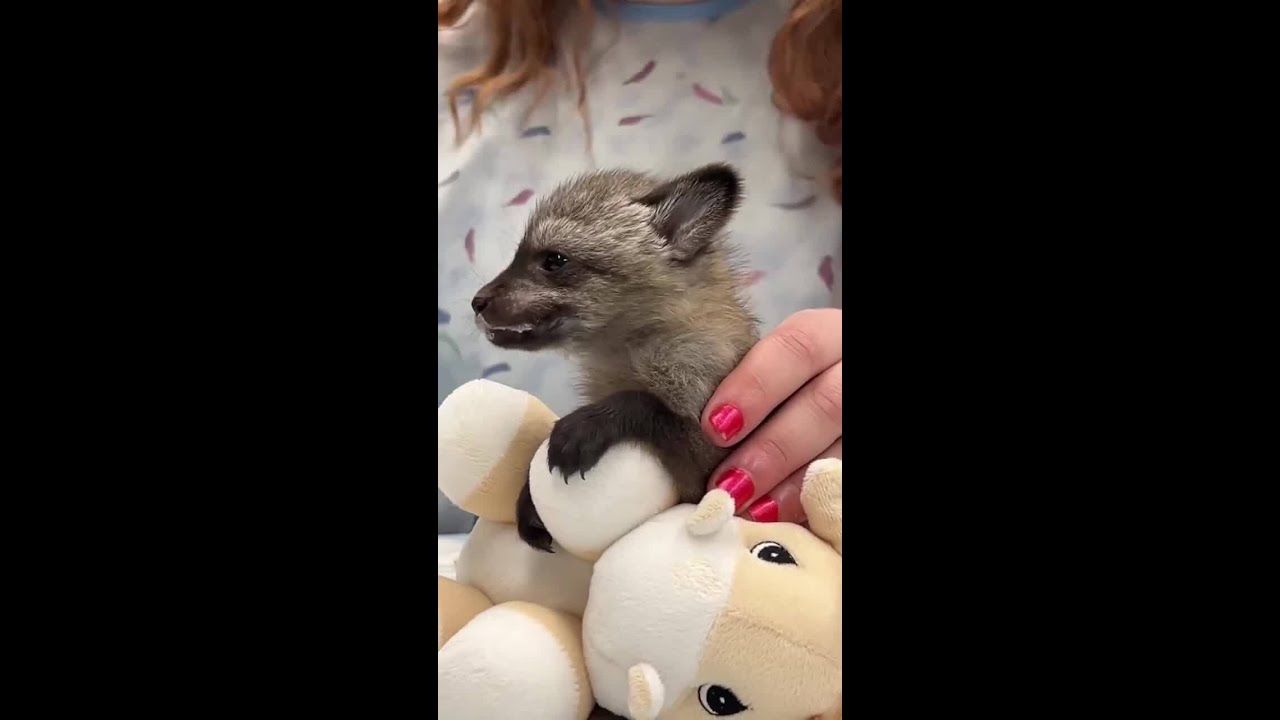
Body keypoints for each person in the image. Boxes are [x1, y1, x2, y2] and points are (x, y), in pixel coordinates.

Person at [437, 0, 841, 526]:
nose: (487, 298)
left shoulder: (826, 59)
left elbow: (695, 439)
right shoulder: (455, 52)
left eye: (554, 263)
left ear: (677, 237)